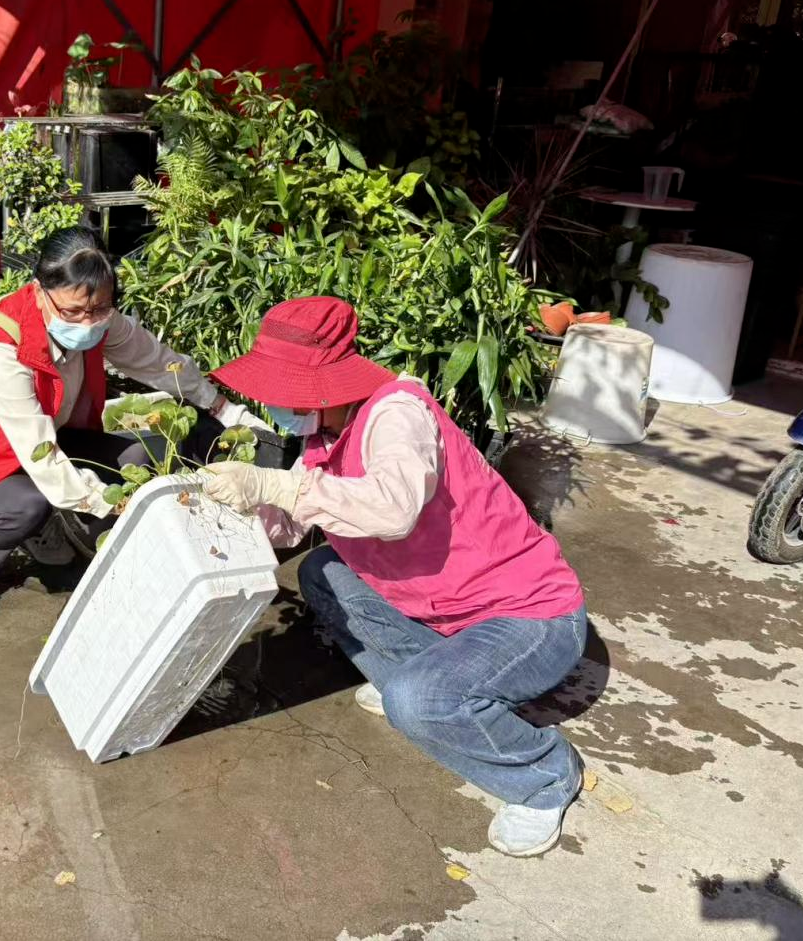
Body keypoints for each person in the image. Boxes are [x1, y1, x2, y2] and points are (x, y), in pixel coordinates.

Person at [201, 296, 587, 857]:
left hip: (531, 617)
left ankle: (545, 777)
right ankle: (445, 689)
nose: (273, 403)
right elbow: (293, 519)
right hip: (453, 613)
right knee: (322, 572)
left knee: (416, 701)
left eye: (282, 389)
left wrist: (273, 486)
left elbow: (391, 508)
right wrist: (220, 532)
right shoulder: (324, 436)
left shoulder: (395, 413)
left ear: (324, 383)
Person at [0, 227, 232, 617]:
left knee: (142, 456)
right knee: (30, 503)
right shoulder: (0, 347)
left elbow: (158, 361)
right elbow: (38, 452)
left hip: (50, 435)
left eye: (98, 309)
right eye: (72, 312)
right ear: (40, 290)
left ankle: (41, 522)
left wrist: (218, 406)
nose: (87, 323)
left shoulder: (99, 317)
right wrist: (107, 503)